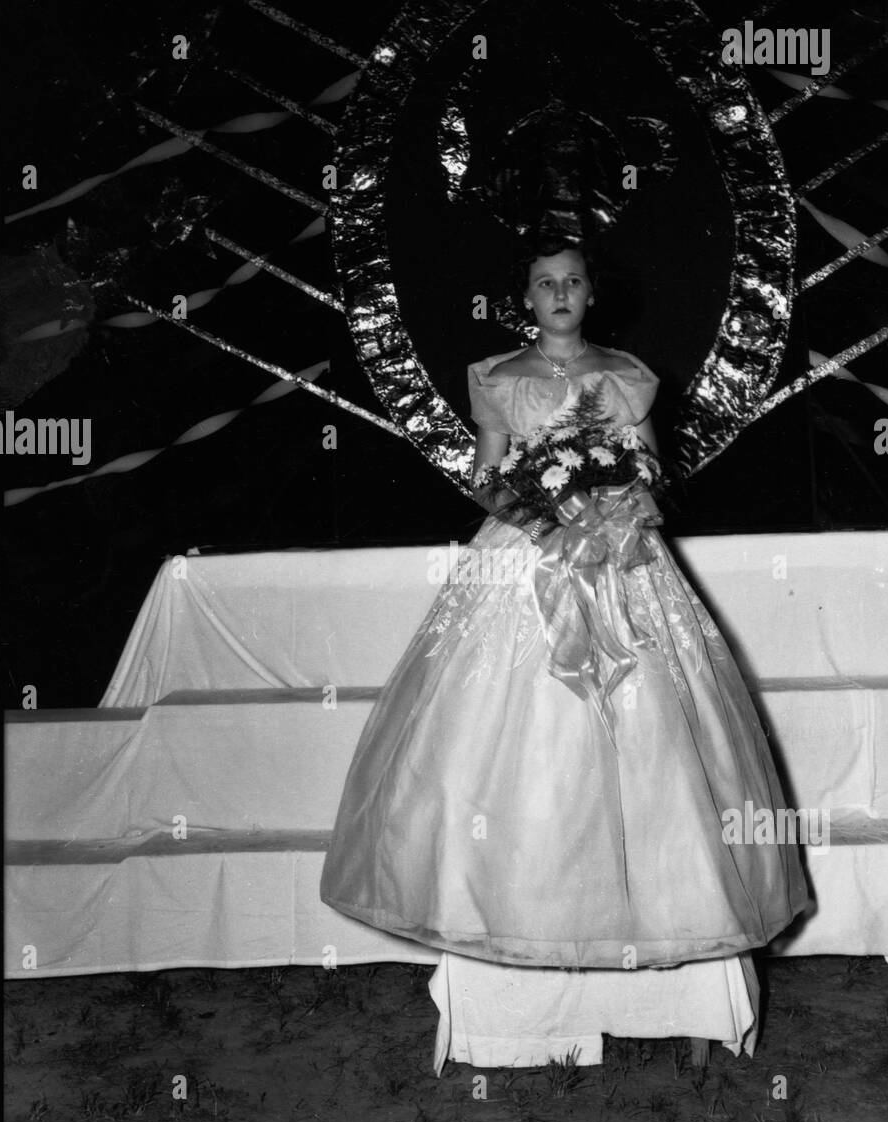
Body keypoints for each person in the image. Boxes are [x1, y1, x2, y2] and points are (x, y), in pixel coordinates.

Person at [320, 239, 809, 969]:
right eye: (545, 283)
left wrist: (625, 504)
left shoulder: (624, 375)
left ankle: (667, 900)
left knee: (653, 709)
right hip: (528, 550)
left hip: (618, 553)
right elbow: (486, 477)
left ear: (591, 295)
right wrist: (545, 508)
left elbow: (651, 472)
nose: (559, 293)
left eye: (573, 281)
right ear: (524, 298)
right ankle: (511, 899)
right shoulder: (502, 378)